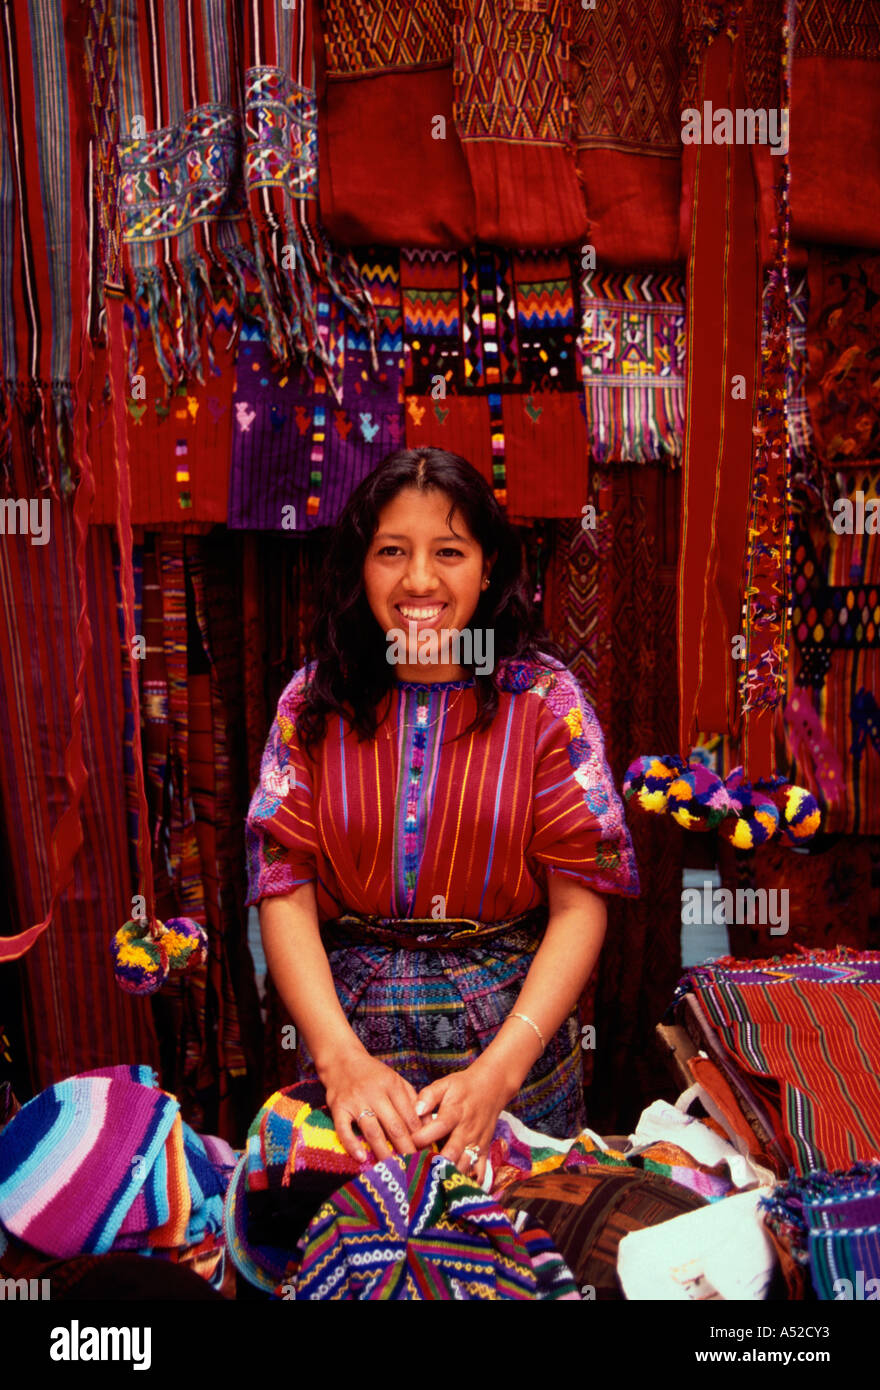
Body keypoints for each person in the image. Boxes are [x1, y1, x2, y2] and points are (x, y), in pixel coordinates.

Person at [246, 446, 638, 1185]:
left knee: (515, 1258)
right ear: (361, 565)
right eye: (392, 551)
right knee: (351, 1255)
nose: (419, 580)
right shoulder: (313, 701)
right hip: (350, 1047)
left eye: (448, 552)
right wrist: (342, 1064)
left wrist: (498, 1075)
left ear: (488, 566)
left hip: (515, 1049)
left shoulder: (543, 702)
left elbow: (581, 903)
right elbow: (282, 881)